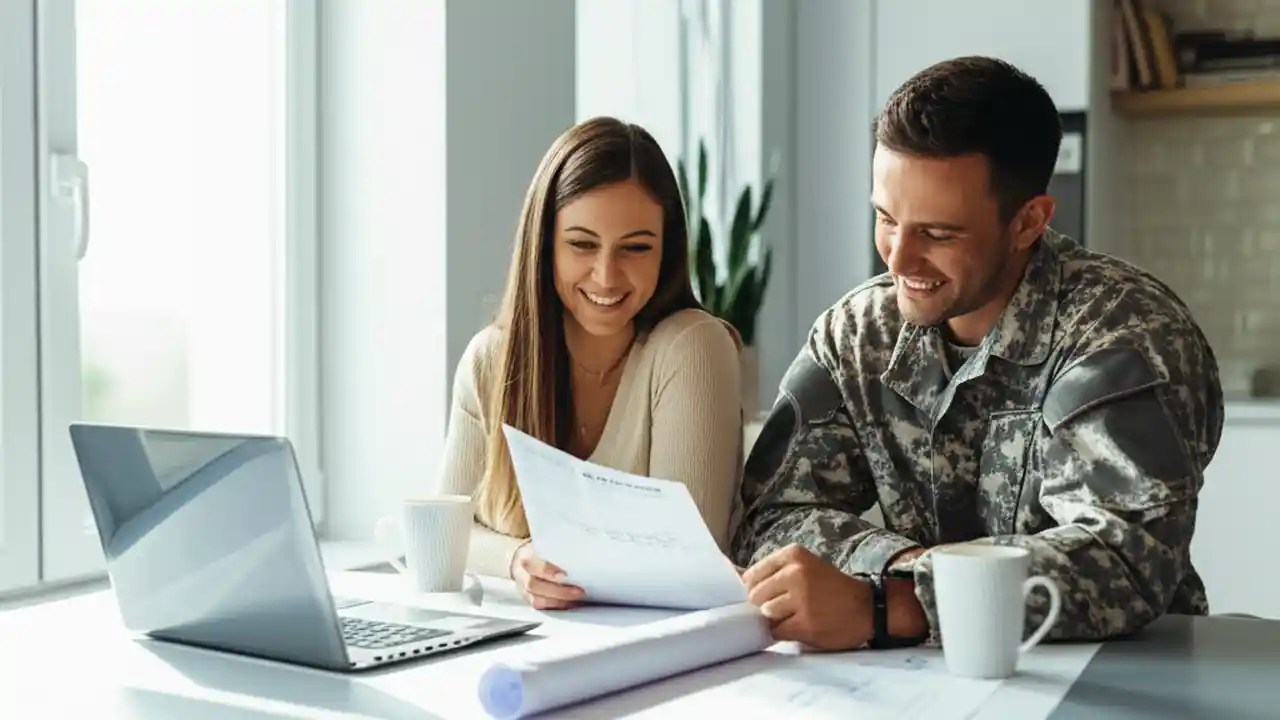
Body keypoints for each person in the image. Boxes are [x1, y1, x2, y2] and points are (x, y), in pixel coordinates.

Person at [730, 56, 1224, 650]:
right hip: (917, 678)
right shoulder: (857, 334)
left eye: (938, 234)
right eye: (886, 219)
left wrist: (902, 603)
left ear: (1028, 221)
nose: (897, 261)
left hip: (1118, 675)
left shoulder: (1123, 334)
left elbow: (1124, 559)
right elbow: (770, 520)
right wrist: (903, 571)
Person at [438, 117, 744, 611]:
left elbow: (689, 558)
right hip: (526, 644)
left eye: (636, 248)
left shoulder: (692, 347)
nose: (607, 275)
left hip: (658, 649)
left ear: (665, 251)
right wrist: (518, 558)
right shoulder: (490, 360)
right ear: (545, 245)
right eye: (581, 244)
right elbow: (446, 534)